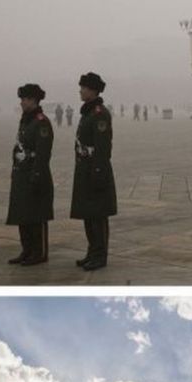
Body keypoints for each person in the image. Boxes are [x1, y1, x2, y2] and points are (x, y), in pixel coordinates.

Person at [71, 71, 117, 271]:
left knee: (98, 215)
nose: (80, 91)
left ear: (93, 90)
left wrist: (98, 171)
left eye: (83, 88)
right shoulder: (88, 112)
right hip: (85, 169)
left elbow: (103, 146)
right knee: (89, 214)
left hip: (95, 170)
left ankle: (100, 255)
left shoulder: (99, 114)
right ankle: (92, 251)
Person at [6, 83, 54, 266]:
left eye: (24, 99)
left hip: (34, 174)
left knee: (36, 216)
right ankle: (26, 250)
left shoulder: (41, 122)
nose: (21, 103)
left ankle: (39, 252)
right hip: (22, 174)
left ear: (33, 100)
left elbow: (43, 154)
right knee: (23, 215)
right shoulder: (27, 120)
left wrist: (37, 175)